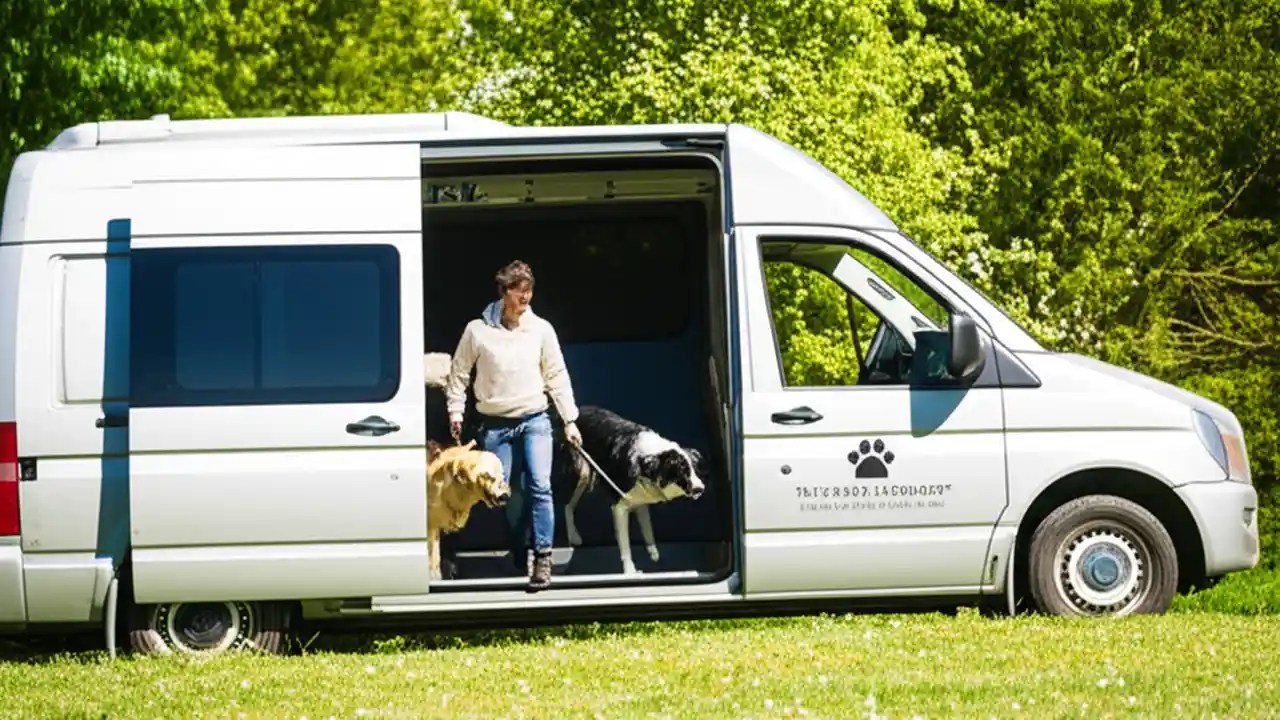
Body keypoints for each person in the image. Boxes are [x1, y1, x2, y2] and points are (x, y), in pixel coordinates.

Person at [445, 260, 582, 591]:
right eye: (519, 291)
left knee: (540, 485)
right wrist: (456, 411)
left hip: (535, 418)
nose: (525, 297)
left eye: (529, 290)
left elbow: (556, 375)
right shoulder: (477, 331)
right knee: (502, 494)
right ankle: (518, 542)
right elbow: (459, 374)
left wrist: (570, 420)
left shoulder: (541, 330)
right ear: (504, 292)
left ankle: (543, 559)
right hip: (495, 424)